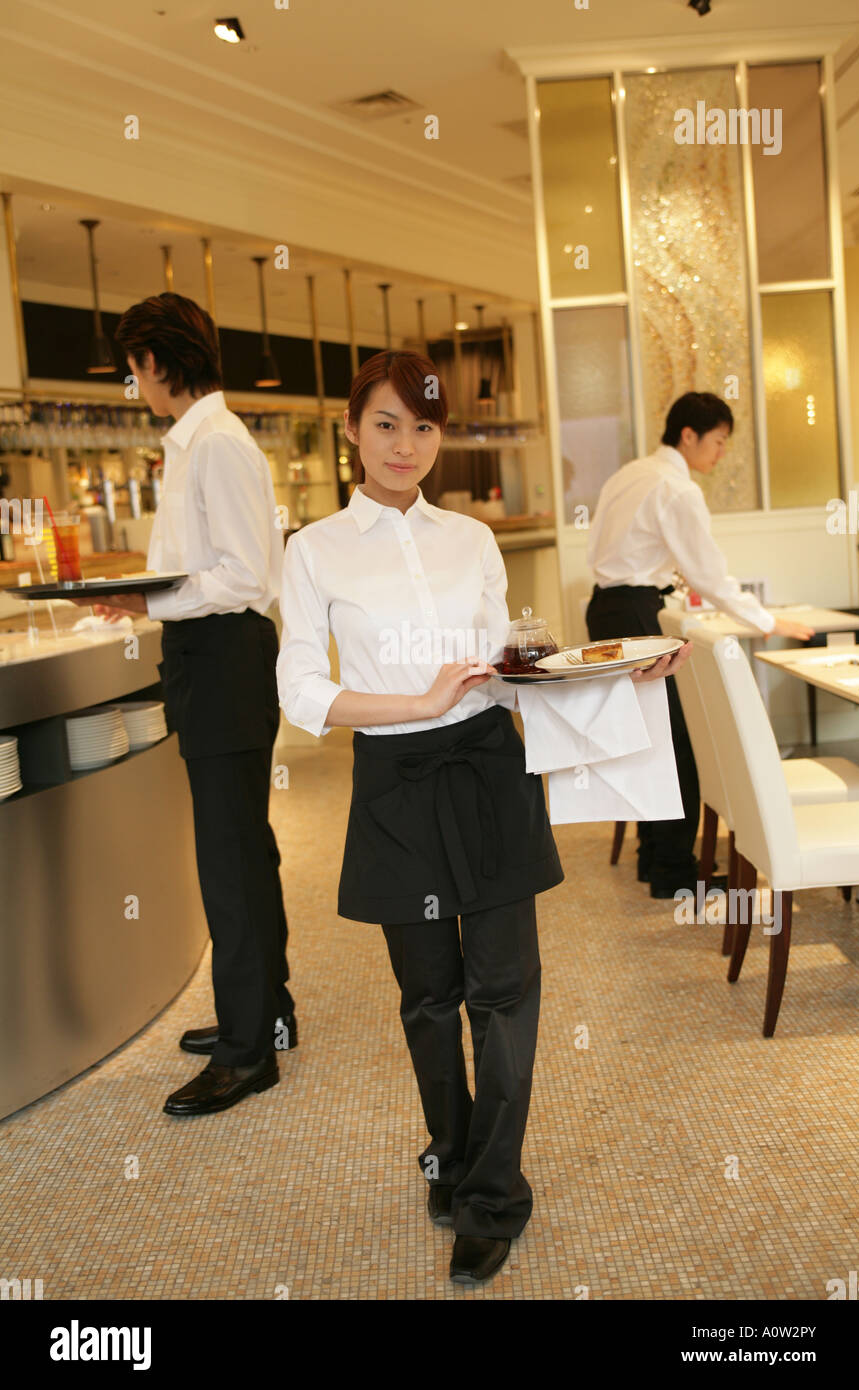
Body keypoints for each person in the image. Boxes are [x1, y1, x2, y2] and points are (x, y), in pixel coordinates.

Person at [276, 349, 692, 1285]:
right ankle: (453, 1153)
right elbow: (301, 689)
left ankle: (493, 1193)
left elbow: (512, 677)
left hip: (491, 774)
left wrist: (620, 671)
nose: (407, 445)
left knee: (503, 992)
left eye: (425, 428)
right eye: (387, 424)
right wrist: (414, 704)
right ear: (352, 428)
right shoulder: (312, 551)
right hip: (395, 782)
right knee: (429, 996)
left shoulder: (472, 542)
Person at [74, 293, 296, 1116]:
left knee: (230, 860)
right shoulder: (196, 442)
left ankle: (247, 1053)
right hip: (211, 658)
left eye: (135, 366)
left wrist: (146, 603)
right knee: (242, 847)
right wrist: (149, 599)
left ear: (157, 362)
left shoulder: (217, 445)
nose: (135, 382)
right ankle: (265, 1012)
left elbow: (245, 578)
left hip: (226, 657)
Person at [586, 391, 815, 900]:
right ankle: (672, 869)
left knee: (647, 740)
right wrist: (765, 619)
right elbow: (710, 574)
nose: (721, 453)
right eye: (718, 441)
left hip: (606, 609)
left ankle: (655, 857)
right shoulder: (676, 488)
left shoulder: (631, 473)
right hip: (638, 614)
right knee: (679, 742)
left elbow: (608, 550)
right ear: (688, 435)